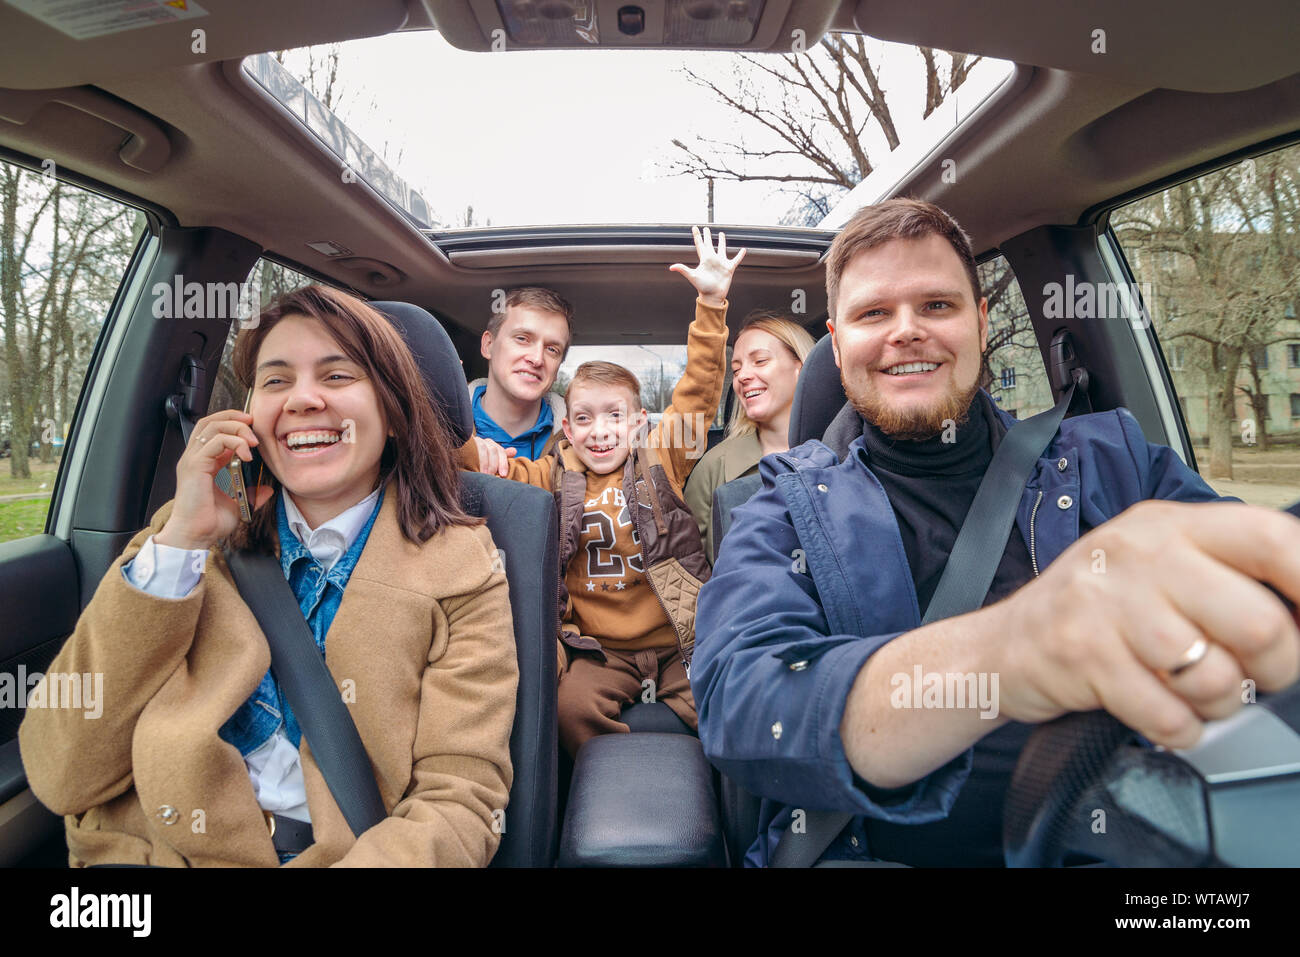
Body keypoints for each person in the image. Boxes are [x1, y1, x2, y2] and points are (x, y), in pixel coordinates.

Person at [692, 198, 1300, 867]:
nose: (906, 331)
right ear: (836, 346)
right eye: (874, 313)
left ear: (982, 326)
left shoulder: (1116, 458)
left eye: (937, 306)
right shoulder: (778, 501)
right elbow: (743, 698)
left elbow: (1262, 568)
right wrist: (1014, 650)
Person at [19, 286, 519, 867]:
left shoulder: (463, 569)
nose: (302, 399)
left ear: (394, 413)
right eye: (276, 380)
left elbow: (460, 801)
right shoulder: (184, 541)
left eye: (337, 377)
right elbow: (62, 775)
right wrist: (182, 544)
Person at [468, 226, 743, 757]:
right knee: (569, 711)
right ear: (566, 429)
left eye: (614, 417)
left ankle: (723, 802)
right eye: (585, 419)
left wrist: (711, 303)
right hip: (599, 651)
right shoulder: (551, 471)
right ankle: (610, 783)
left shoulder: (662, 457)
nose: (600, 432)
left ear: (639, 423)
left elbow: (697, 395)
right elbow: (494, 475)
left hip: (677, 640)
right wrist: (467, 449)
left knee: (730, 698)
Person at [684, 311, 815, 562]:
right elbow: (690, 568)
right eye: (736, 369)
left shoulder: (845, 453)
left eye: (760, 361)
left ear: (801, 367)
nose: (742, 376)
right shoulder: (715, 466)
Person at [470, 286, 573, 458]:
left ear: (557, 369)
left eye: (552, 349)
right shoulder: (437, 428)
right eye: (522, 339)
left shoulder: (581, 444)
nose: (537, 359)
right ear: (488, 345)